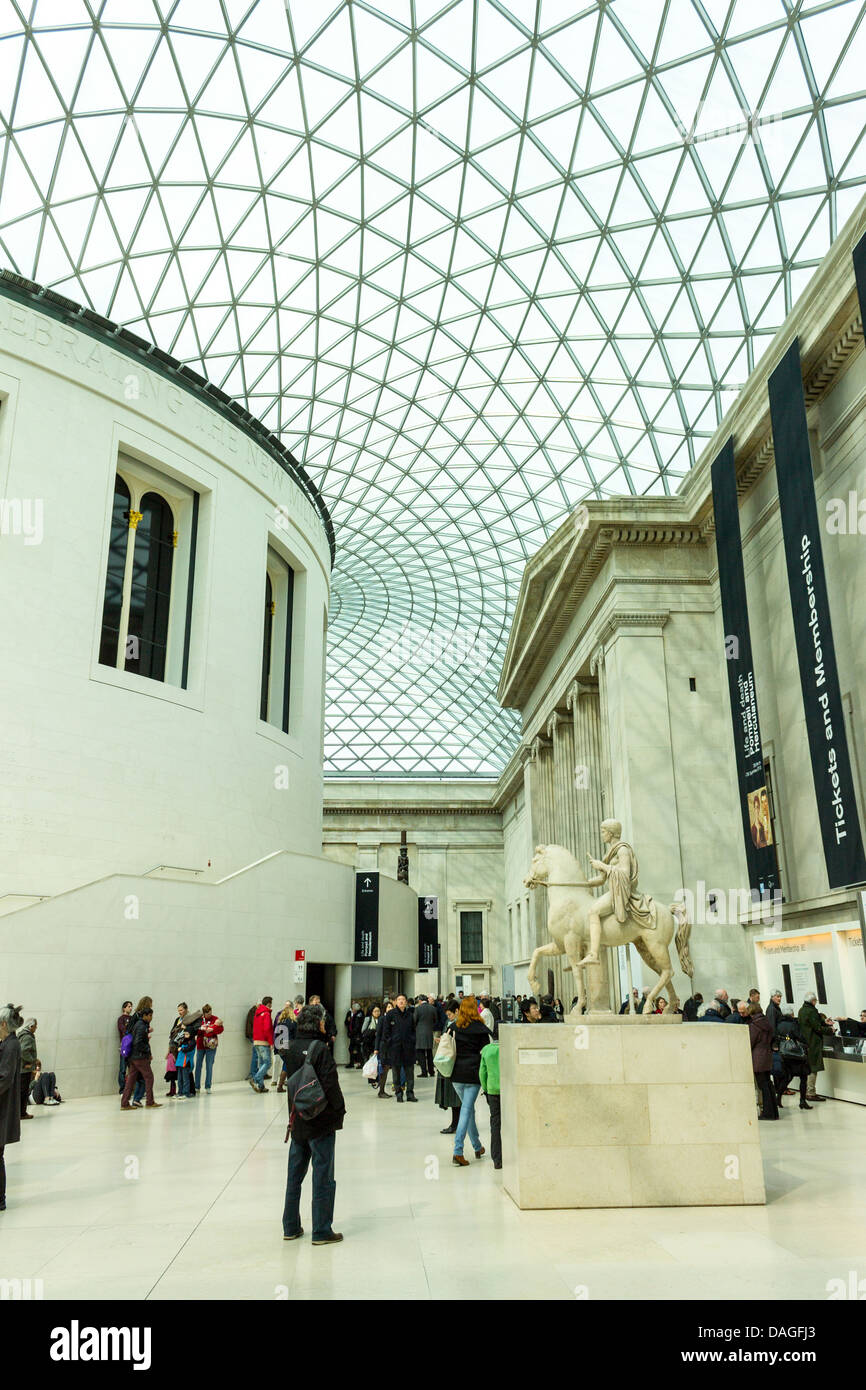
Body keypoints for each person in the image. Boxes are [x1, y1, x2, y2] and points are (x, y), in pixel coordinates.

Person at [281, 1005, 346, 1245]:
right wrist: (340, 1110)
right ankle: (321, 1230)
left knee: (294, 1176)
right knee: (323, 1176)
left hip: (297, 1121)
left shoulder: (291, 1047)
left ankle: (290, 1226)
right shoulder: (320, 1049)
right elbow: (330, 1086)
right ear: (317, 1023)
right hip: (320, 1122)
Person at [451, 996, 492, 1166]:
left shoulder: (453, 1027)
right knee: (466, 1111)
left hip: (456, 1075)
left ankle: (477, 1146)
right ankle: (457, 1151)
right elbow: (485, 1054)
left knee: (469, 1112)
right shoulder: (480, 1029)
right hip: (473, 1075)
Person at [0, 1004, 24, 1211]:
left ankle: (0, 1199)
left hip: (2, 1109)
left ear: (4, 1024)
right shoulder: (7, 1043)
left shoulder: (11, 1045)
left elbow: (4, 1078)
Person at [120, 1007, 161, 1109]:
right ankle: (150, 1102)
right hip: (140, 1057)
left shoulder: (138, 1024)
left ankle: (124, 1103)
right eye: (150, 1016)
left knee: (131, 1080)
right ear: (145, 1016)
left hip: (133, 1057)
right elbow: (138, 1042)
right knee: (149, 1077)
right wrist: (147, 1050)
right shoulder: (141, 1026)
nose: (151, 1018)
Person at [379, 994, 417, 1101]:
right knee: (396, 1073)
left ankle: (410, 1094)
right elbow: (386, 1032)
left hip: (408, 1048)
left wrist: (412, 1041)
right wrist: (391, 1042)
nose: (401, 1001)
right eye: (399, 1000)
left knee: (409, 1073)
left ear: (406, 1002)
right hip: (395, 1049)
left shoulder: (410, 1015)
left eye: (403, 1000)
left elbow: (414, 1030)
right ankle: (398, 1093)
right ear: (395, 1002)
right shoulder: (390, 1014)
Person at [798, 993, 833, 1102]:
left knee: (809, 1067)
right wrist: (829, 1030)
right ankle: (811, 1092)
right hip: (813, 1042)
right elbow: (817, 1027)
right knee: (813, 1068)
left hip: (805, 1042)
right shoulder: (811, 1011)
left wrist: (823, 1021)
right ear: (812, 1000)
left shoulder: (802, 1010)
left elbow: (812, 1023)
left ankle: (809, 1091)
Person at [774, 1010, 811, 1110]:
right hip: (796, 1056)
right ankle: (802, 1101)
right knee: (803, 1078)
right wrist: (807, 1043)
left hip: (785, 1055)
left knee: (787, 1077)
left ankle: (778, 1098)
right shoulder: (794, 1025)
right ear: (791, 1015)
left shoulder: (779, 1025)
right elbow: (800, 1037)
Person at [748, 1002, 778, 1120]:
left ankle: (767, 1113)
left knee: (762, 1086)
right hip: (767, 1054)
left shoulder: (754, 1025)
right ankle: (774, 1112)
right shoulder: (767, 1023)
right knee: (768, 1083)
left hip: (758, 1057)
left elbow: (750, 1042)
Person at [479, 1036, 501, 1170]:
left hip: (493, 1091)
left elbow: (482, 1072)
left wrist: (486, 1089)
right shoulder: (508, 1048)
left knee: (495, 1123)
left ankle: (497, 1159)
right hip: (508, 1089)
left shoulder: (486, 1050)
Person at [194, 1004, 223, 1093]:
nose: (209, 1015)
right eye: (208, 1014)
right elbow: (195, 1030)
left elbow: (221, 1029)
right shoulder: (199, 1020)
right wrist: (201, 1029)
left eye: (210, 1013)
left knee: (209, 1066)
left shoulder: (215, 1019)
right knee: (198, 1066)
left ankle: (208, 1086)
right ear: (204, 1014)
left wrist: (212, 1029)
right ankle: (197, 1086)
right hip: (200, 1045)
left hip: (211, 1046)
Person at [250, 996, 274, 1093]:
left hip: (256, 1041)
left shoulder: (257, 1013)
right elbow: (267, 1029)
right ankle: (255, 1079)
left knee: (261, 1064)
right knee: (268, 1063)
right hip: (264, 1042)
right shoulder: (267, 1014)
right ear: (269, 1003)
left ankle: (261, 1086)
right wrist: (271, 1042)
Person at [273, 1002, 297, 1093]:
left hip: (280, 1048)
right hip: (288, 1047)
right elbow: (295, 1036)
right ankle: (280, 1086)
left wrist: (275, 1050)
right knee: (287, 1066)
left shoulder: (279, 1023)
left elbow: (276, 1037)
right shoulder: (293, 1023)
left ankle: (283, 1085)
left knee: (286, 1064)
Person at [16, 1018, 38, 1120]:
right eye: (35, 1026)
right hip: (24, 1069)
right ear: (31, 1026)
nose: (36, 1028)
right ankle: (22, 1113)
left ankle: (20, 1113)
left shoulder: (22, 1035)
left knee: (21, 1091)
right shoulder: (28, 1037)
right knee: (23, 1092)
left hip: (21, 1068)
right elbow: (24, 1051)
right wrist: (32, 1060)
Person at [414, 994, 438, 1078]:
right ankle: (431, 1071)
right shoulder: (433, 1008)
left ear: (420, 1001)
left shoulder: (418, 1009)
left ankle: (424, 1071)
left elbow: (414, 1020)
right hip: (429, 1032)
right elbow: (435, 1020)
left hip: (420, 1033)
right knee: (429, 1053)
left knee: (421, 1053)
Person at [361, 1005, 381, 1083]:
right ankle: (371, 1078)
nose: (377, 1013)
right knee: (371, 1061)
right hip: (369, 1043)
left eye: (378, 1011)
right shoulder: (368, 1019)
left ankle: (378, 1077)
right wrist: (372, 1032)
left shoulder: (381, 1019)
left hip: (377, 1043)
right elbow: (363, 1030)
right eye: (375, 1011)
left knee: (378, 1062)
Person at [117, 1001, 133, 1092]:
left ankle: (131, 1088)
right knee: (123, 1069)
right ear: (124, 1008)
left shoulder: (132, 1018)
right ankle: (122, 1089)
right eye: (128, 1006)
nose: (130, 1008)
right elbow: (123, 1030)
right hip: (124, 1046)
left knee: (132, 1069)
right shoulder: (121, 1019)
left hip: (132, 1047)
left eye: (131, 1006)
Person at [344, 1002, 364, 1070]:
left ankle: (360, 1063)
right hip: (353, 1035)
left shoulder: (359, 1015)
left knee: (358, 1049)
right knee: (352, 1048)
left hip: (357, 1035)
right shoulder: (353, 1014)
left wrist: (352, 1033)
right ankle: (352, 1063)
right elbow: (347, 1023)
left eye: (352, 1009)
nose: (352, 1010)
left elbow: (357, 1026)